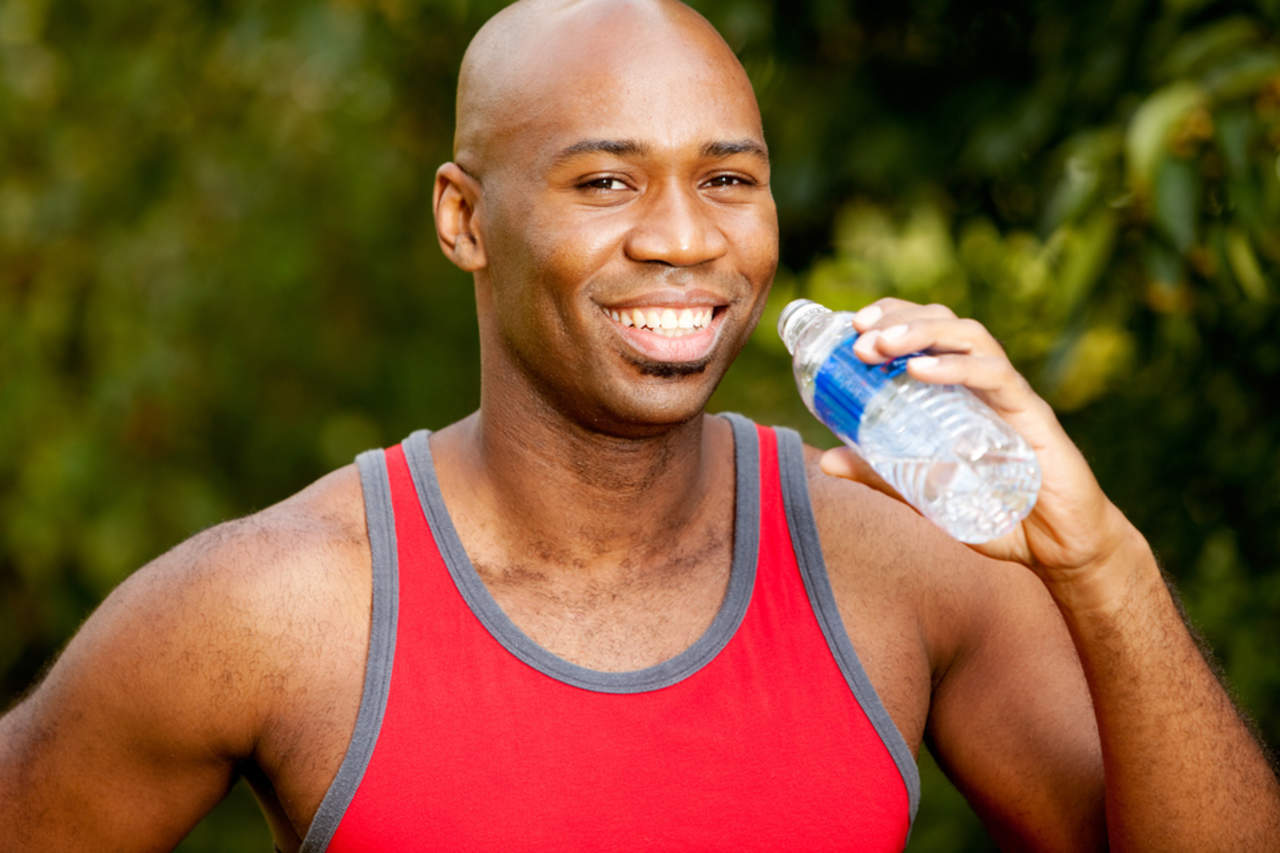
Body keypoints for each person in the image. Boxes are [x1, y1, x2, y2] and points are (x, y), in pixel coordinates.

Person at [2, 0, 1278, 849]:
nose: (682, 238)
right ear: (463, 219)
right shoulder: (274, 609)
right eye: (605, 180)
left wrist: (1099, 558)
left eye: (727, 180)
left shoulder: (895, 563)